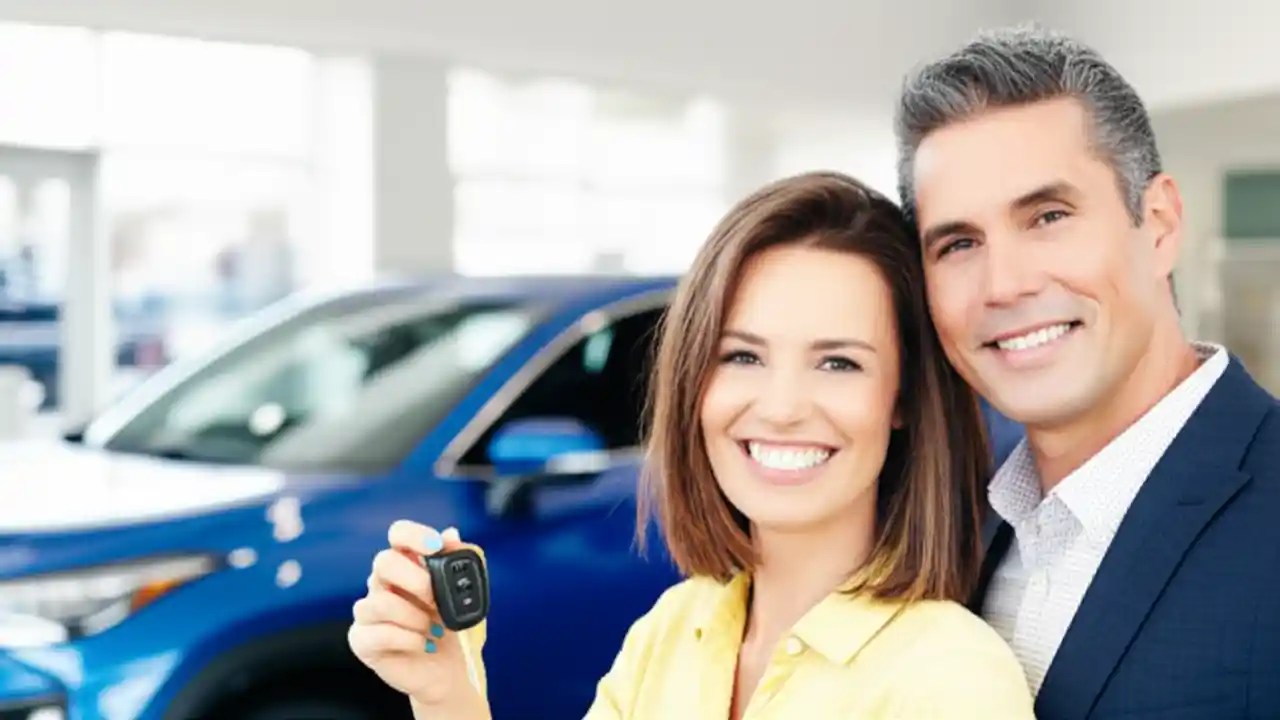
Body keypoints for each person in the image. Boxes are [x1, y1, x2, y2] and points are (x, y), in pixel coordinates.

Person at [347, 171, 1035, 719]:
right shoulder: (679, 627)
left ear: (905, 400)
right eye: (741, 357)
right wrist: (448, 694)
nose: (783, 407)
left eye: (838, 363)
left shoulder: (952, 682)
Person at [895, 23, 1280, 720]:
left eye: (1047, 216)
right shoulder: (954, 534)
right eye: (958, 243)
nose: (1003, 284)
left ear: (1158, 223)